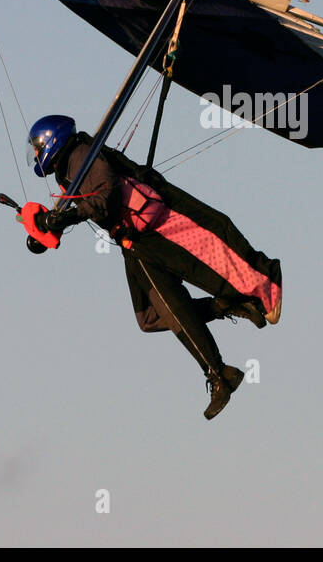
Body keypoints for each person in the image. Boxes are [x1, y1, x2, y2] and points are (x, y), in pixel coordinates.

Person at [18, 114, 283, 420]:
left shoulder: (81, 155)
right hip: (131, 240)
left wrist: (68, 217)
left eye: (38, 148)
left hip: (144, 235)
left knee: (171, 308)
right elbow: (77, 207)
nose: (37, 155)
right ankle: (226, 308)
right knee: (150, 318)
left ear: (52, 139)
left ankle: (219, 373)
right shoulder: (68, 171)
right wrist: (47, 227)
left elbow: (106, 194)